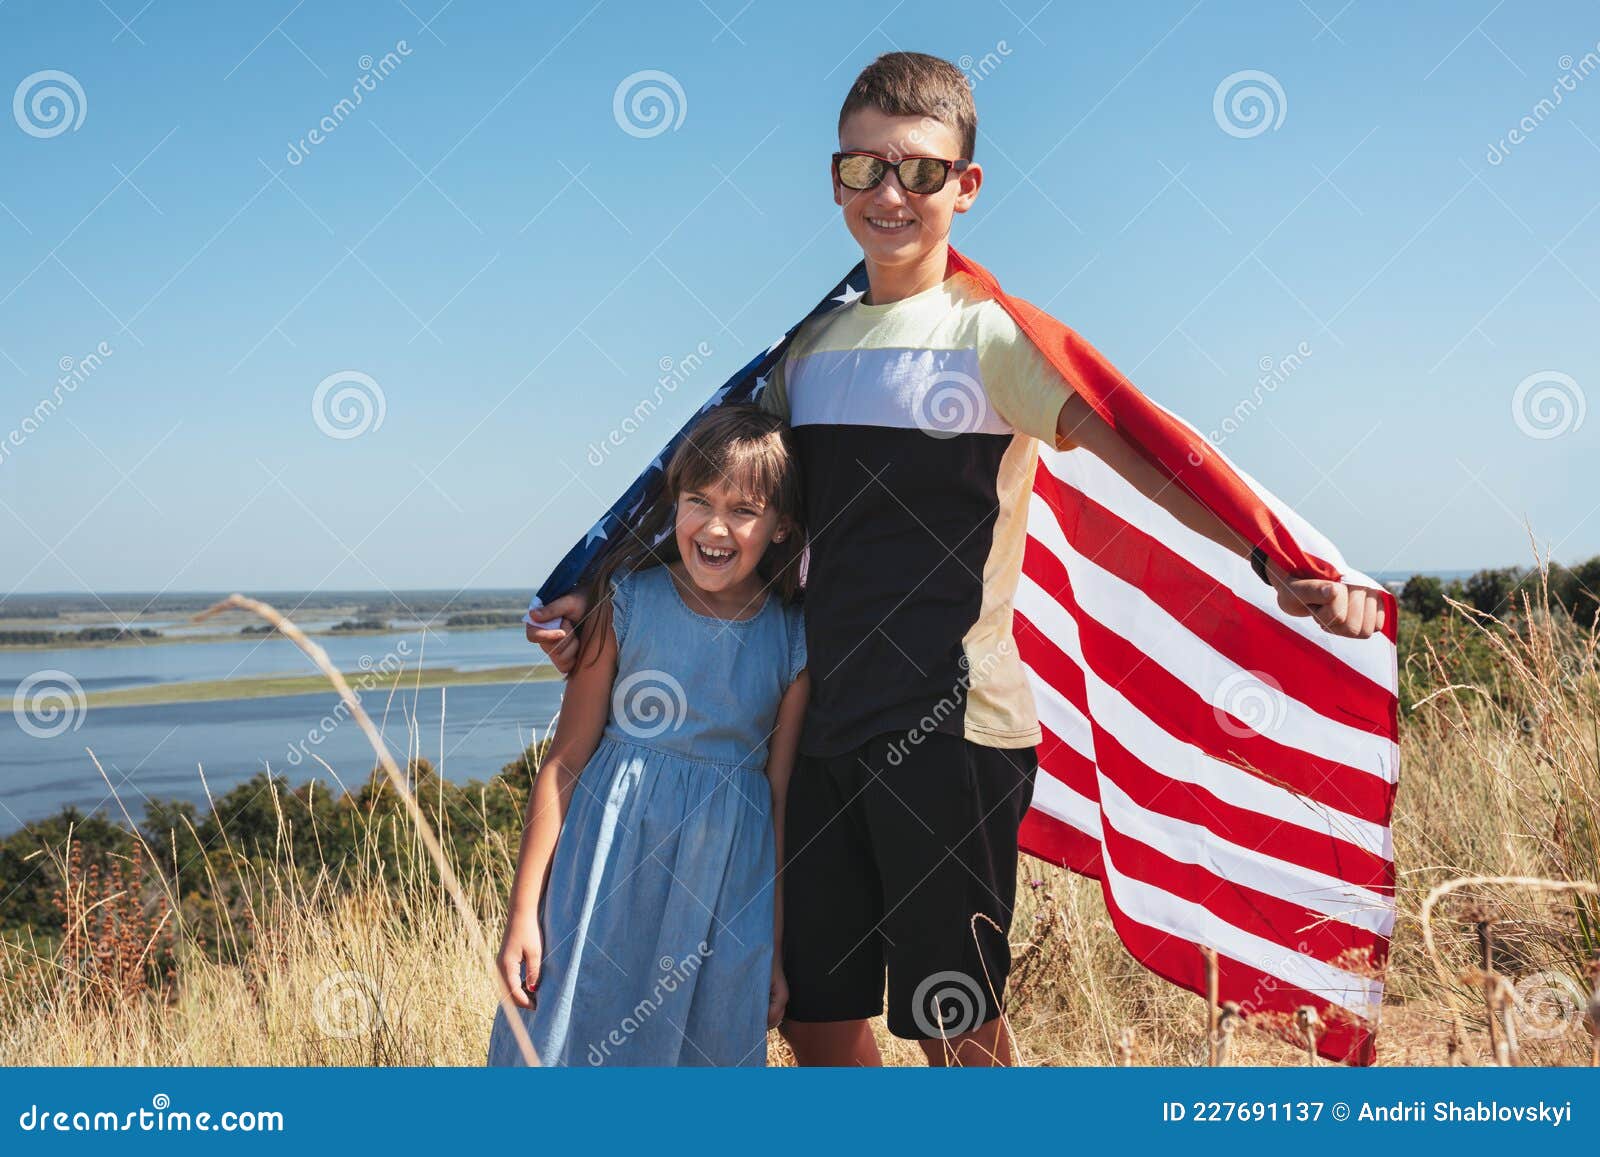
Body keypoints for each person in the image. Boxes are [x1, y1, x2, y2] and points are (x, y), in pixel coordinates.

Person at [528, 53, 1385, 1068]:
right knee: (811, 1011)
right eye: (863, 169)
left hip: (953, 725)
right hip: (820, 724)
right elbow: (719, 493)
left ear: (965, 187)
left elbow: (1134, 447)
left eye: (921, 171)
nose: (890, 194)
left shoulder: (990, 341)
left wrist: (1262, 553)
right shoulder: (803, 351)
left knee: (954, 1018)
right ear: (835, 178)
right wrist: (594, 592)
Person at [488, 404, 808, 1066]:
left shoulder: (791, 641)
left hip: (722, 894)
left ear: (781, 528)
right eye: (699, 501)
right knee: (567, 1041)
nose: (716, 526)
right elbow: (565, 763)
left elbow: (778, 797)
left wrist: (774, 946)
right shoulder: (625, 601)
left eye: (744, 509)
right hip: (599, 876)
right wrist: (524, 911)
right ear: (675, 505)